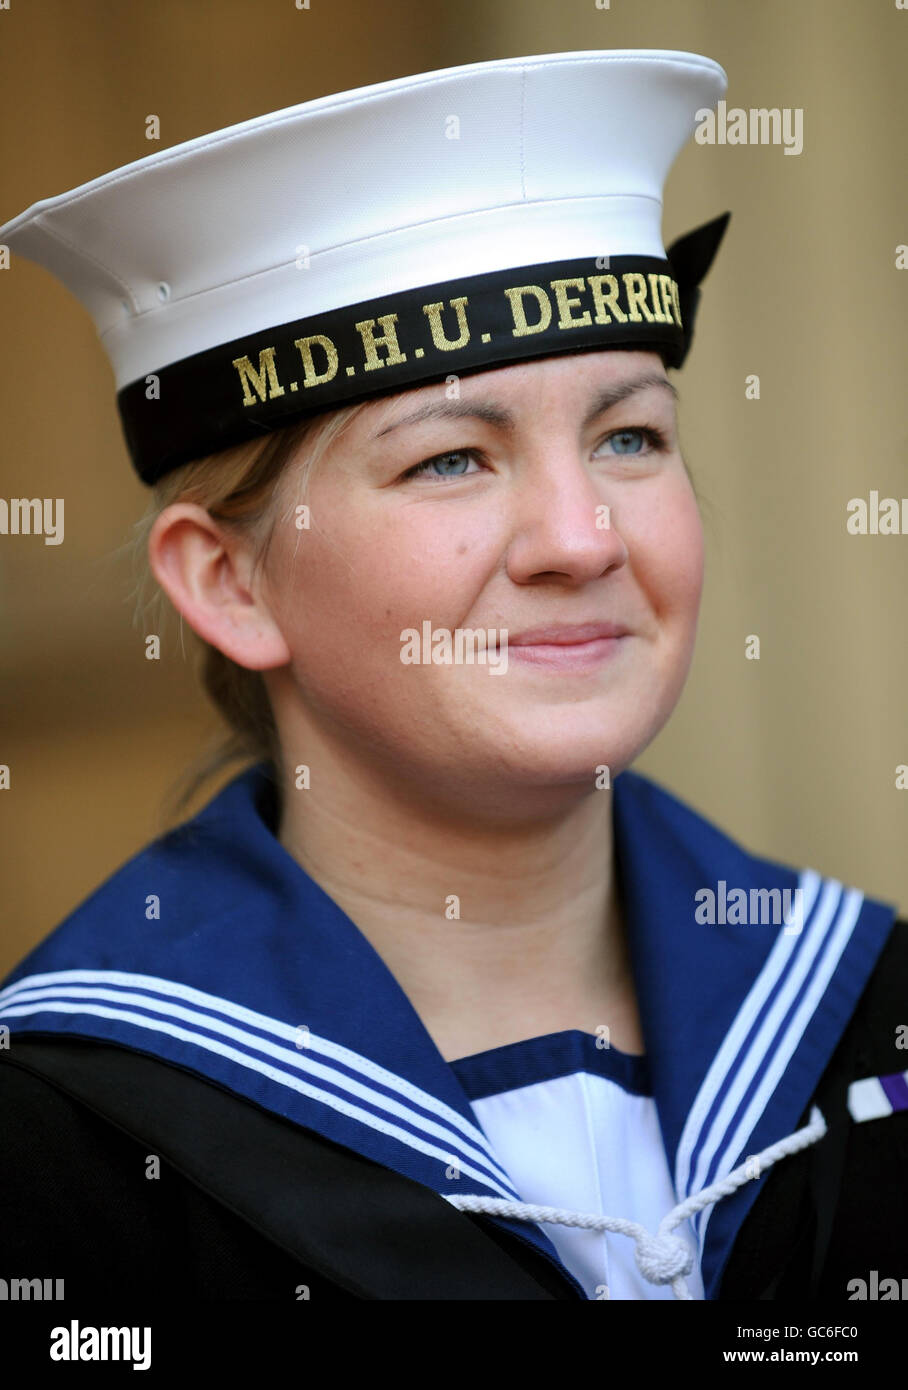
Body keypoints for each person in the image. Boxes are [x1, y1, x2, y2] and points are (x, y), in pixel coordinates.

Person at [0, 48, 904, 1304]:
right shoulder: (66, 1141)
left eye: (627, 435)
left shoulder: (869, 1015)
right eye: (451, 461)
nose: (583, 537)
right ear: (228, 582)